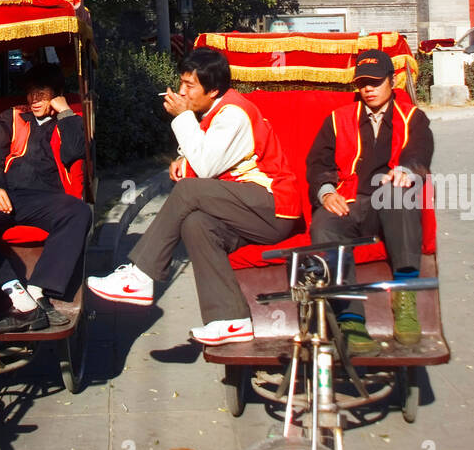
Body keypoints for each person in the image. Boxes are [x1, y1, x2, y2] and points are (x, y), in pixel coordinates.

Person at [87, 47, 303, 346]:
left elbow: (205, 168)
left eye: (190, 86)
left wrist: (183, 119)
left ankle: (141, 274)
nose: (182, 92)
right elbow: (215, 157)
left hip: (272, 207)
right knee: (196, 225)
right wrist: (183, 158)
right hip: (249, 208)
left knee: (189, 190)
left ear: (213, 90)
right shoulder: (214, 113)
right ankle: (229, 319)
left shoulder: (233, 114)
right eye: (181, 83)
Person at [306, 48, 433, 353]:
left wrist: (406, 170)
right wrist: (326, 191)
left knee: (400, 195)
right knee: (324, 221)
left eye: (376, 81)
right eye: (363, 82)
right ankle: (350, 317)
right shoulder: (338, 119)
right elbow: (318, 162)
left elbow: (419, 150)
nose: (369, 88)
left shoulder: (412, 117)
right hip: (349, 200)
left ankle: (404, 297)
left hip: (386, 201)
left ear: (392, 80)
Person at [0, 63, 91, 332]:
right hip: (7, 192)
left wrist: (66, 112)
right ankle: (14, 290)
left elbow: (75, 153)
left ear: (57, 94)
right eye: (31, 93)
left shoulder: (67, 119)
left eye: (42, 93)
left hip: (46, 197)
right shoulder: (11, 118)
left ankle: (38, 289)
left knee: (80, 212)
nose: (35, 100)